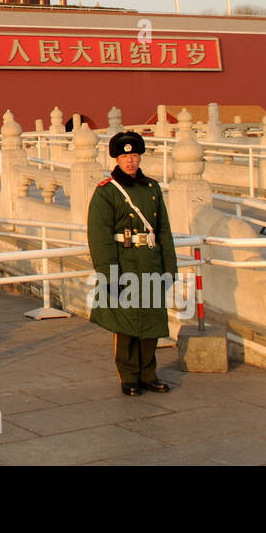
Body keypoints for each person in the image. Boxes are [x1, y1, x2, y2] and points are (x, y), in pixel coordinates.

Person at [86, 130, 179, 396]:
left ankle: (149, 373)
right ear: (116, 158)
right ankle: (128, 376)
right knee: (125, 323)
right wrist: (109, 274)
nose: (130, 161)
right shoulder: (107, 192)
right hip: (124, 263)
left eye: (134, 155)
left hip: (150, 261)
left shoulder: (151, 188)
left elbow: (163, 231)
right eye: (125, 156)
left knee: (151, 321)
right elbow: (99, 236)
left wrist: (170, 268)